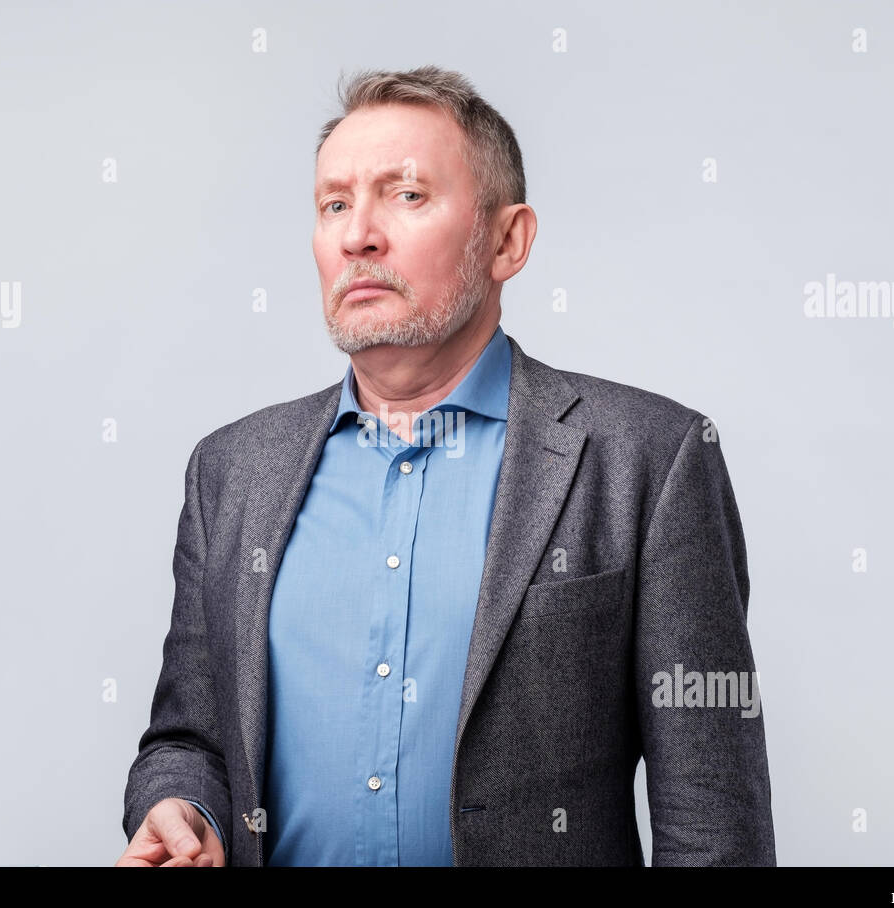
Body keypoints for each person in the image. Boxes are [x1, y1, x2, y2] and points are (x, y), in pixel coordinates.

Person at [117, 65, 775, 867]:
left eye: (407, 195)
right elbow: (190, 738)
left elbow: (713, 824)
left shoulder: (650, 460)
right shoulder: (230, 472)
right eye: (334, 204)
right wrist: (182, 808)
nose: (358, 233)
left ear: (508, 240)